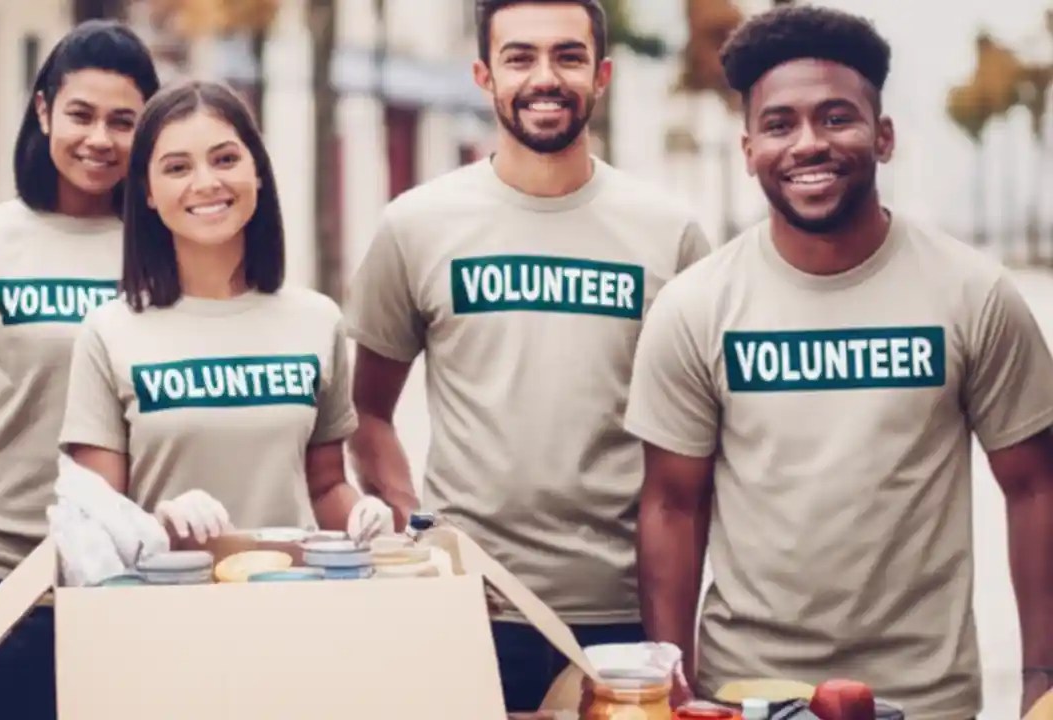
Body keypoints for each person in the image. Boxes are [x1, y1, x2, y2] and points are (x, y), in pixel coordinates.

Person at [624, 6, 1053, 719]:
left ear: (883, 136)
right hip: (749, 695)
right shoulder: (695, 307)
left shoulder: (972, 294)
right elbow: (672, 503)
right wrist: (676, 687)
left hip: (926, 700)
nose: (808, 144)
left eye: (835, 117)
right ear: (749, 149)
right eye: (779, 124)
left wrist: (1042, 675)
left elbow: (1035, 487)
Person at [343, 0, 711, 711]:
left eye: (568, 56)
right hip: (470, 606)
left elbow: (700, 450)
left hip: (626, 616)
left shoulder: (669, 234)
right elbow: (368, 411)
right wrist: (421, 533)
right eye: (520, 57)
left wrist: (676, 638)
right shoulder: (416, 225)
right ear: (484, 75)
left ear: (601, 74)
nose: (546, 77)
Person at [0, 19, 160, 720]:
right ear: (43, 110)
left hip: (137, 572)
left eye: (123, 122)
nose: (99, 139)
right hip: (5, 575)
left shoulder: (166, 247)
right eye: (81, 114)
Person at [58, 79, 393, 548]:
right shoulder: (109, 332)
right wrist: (162, 523)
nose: (206, 183)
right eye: (177, 168)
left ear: (258, 171)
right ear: (147, 191)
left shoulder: (318, 321)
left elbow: (324, 487)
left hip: (294, 590)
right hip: (166, 591)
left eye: (225, 159)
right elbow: (94, 527)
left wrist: (362, 514)